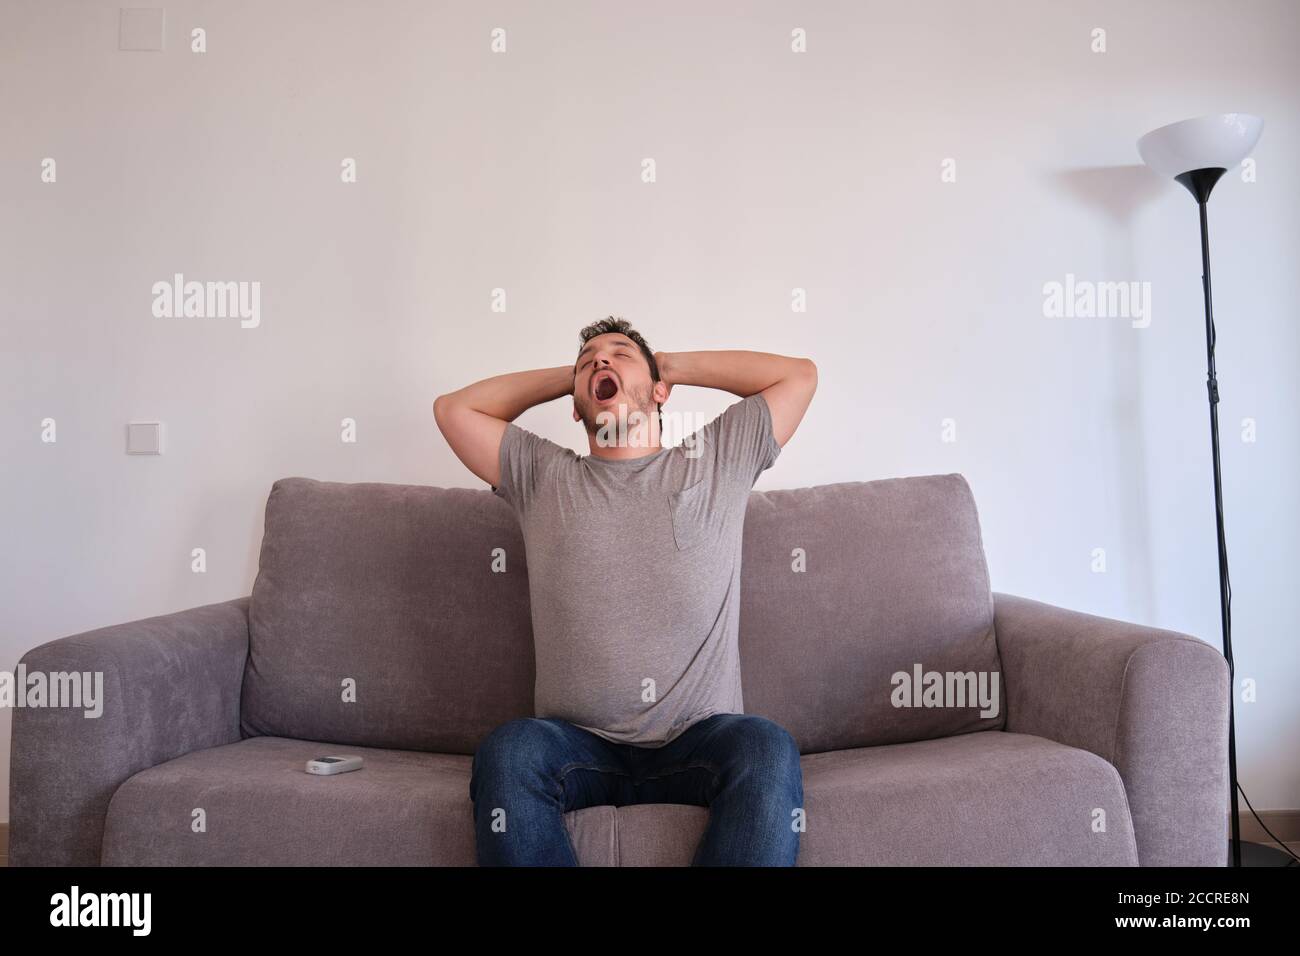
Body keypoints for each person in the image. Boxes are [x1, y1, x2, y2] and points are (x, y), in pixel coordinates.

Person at [433, 316, 818, 865]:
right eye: (588, 360)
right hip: (578, 746)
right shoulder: (542, 476)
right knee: (510, 750)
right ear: (574, 402)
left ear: (660, 389)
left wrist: (671, 364)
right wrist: (571, 374)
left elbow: (799, 377)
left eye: (620, 354)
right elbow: (453, 410)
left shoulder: (715, 460)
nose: (601, 361)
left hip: (699, 740)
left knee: (766, 746)